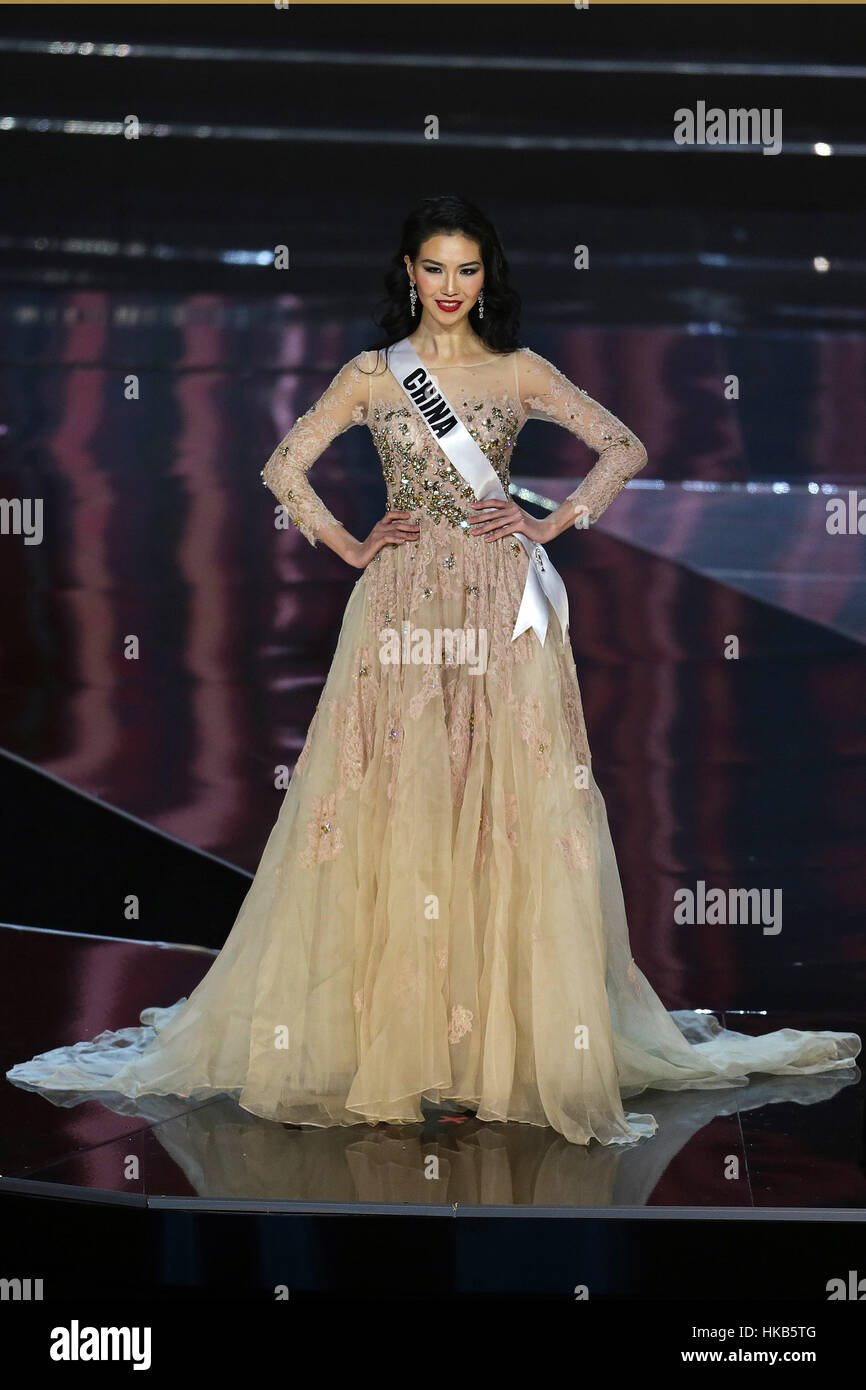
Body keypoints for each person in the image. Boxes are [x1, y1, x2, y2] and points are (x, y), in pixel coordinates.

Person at [7, 196, 859, 1147]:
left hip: (502, 604)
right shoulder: (376, 377)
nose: (450, 290)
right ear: (407, 273)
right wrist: (350, 543)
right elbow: (285, 465)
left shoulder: (519, 371)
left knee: (505, 798)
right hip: (403, 605)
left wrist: (550, 520)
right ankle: (399, 1038)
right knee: (397, 800)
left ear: (484, 277)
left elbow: (626, 445)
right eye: (434, 269)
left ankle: (499, 1042)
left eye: (467, 271)